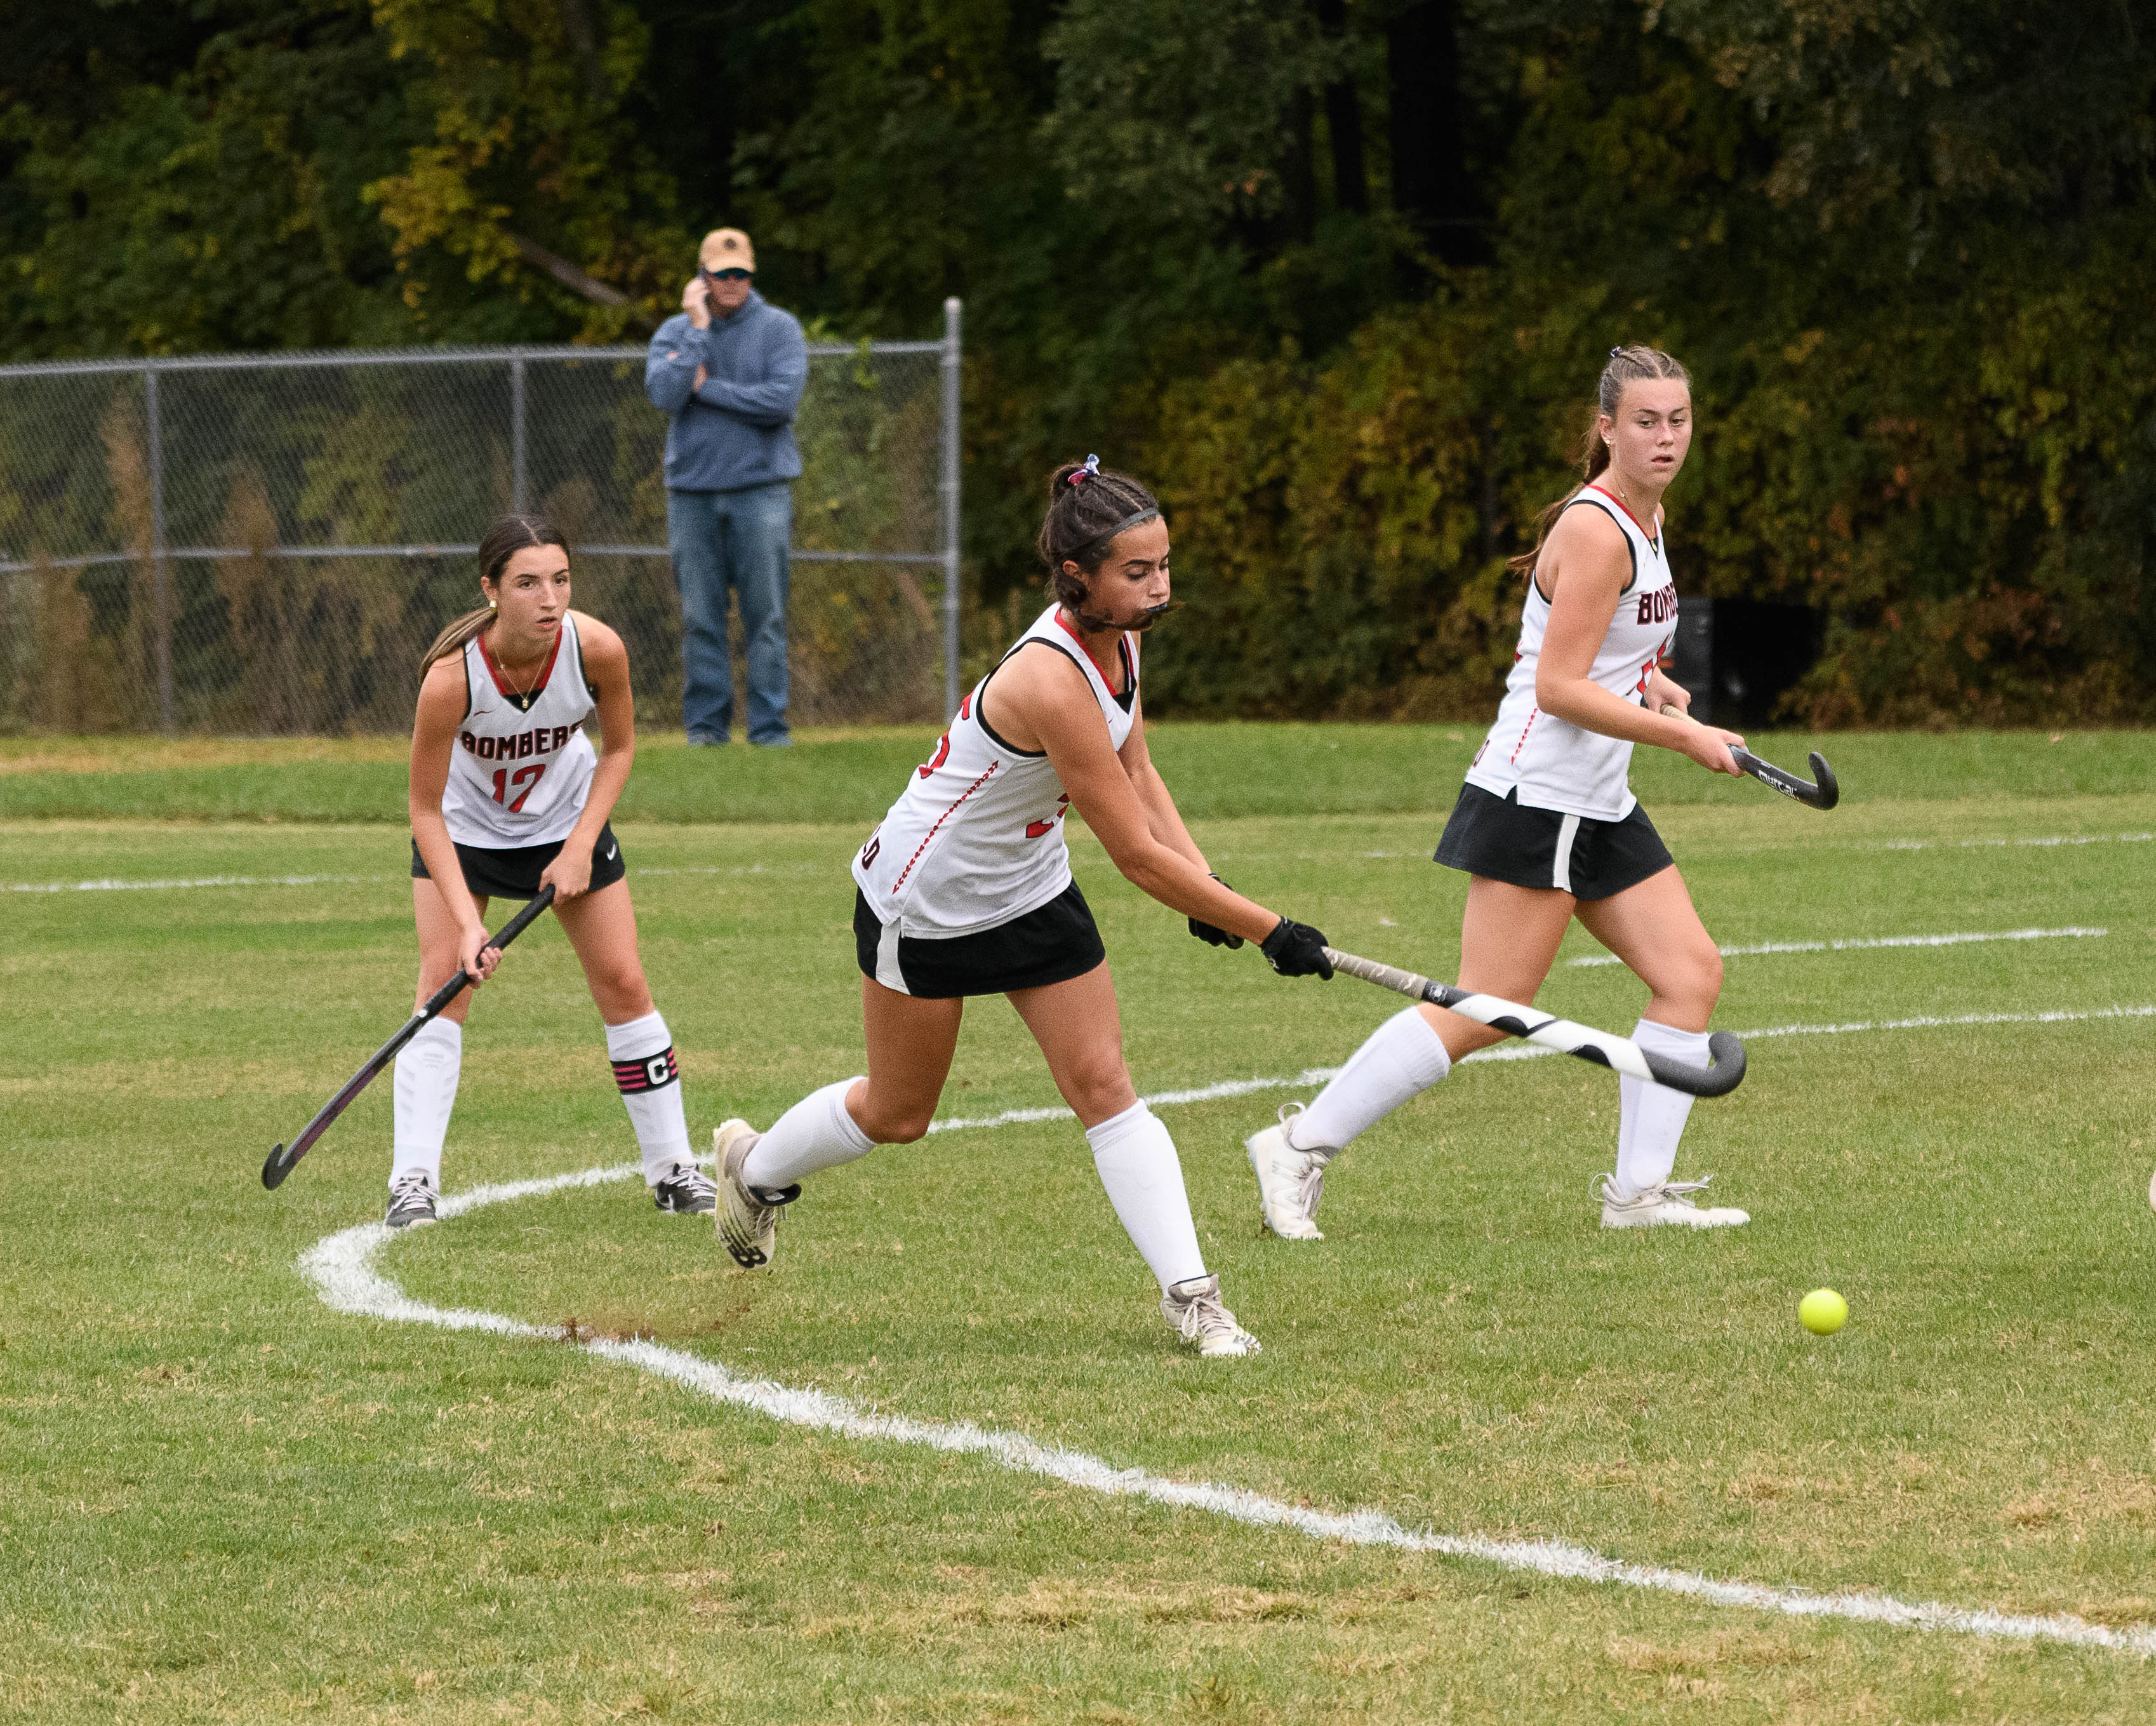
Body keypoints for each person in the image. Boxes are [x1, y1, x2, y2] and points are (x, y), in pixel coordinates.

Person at [705, 457, 1336, 1356]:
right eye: (1137, 572)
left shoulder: (1124, 638)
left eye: (1164, 567)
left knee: (1105, 1086)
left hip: (1027, 884)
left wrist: (1214, 887)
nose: (1159, 590)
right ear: (1076, 576)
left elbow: (1137, 769)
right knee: (898, 1112)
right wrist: (1264, 925)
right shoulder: (1049, 678)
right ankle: (753, 1169)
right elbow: (1130, 855)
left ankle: (1193, 1296)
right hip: (922, 902)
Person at [1245, 347, 1755, 1238]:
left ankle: (1637, 1195)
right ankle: (1299, 1144)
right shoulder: (1598, 528)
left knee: (1687, 975)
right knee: (1486, 1007)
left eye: (1676, 419)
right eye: (1644, 421)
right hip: (1537, 795)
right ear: (1605, 429)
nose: (1664, 436)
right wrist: (1683, 731)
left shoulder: (1649, 514)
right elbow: (1557, 685)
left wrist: (1655, 687)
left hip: (1597, 796)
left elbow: (1603, 653)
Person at [387, 514, 714, 1228]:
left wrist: (578, 843)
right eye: (528, 583)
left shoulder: (596, 648)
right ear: (491, 589)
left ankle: (673, 1170)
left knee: (624, 981)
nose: (549, 599)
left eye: (560, 580)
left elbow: (620, 750)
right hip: (465, 831)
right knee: (443, 982)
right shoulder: (451, 679)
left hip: (567, 820)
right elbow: (423, 809)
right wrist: (471, 926)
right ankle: (412, 1180)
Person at [644, 227, 809, 747]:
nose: (733, 282)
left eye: (741, 273)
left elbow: (780, 403)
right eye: (722, 274)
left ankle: (769, 732)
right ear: (703, 278)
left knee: (767, 617)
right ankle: (706, 732)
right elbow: (667, 394)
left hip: (761, 492)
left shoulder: (780, 329)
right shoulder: (676, 332)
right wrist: (697, 329)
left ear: (751, 275)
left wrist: (707, 388)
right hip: (692, 493)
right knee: (700, 618)